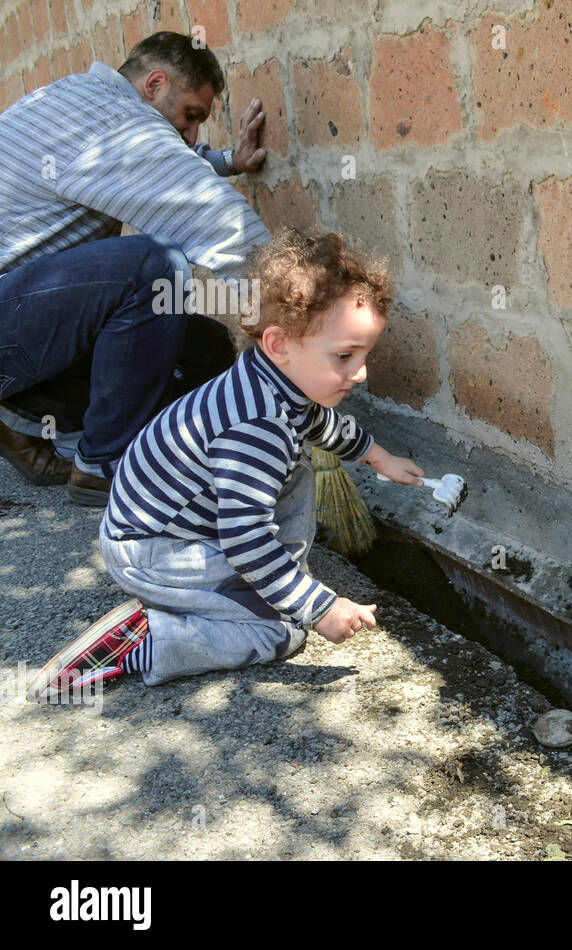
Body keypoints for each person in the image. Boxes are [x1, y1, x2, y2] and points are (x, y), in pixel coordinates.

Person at [26, 230, 426, 700]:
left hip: (165, 530)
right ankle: (147, 640)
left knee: (291, 490)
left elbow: (320, 424)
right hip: (160, 553)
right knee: (280, 632)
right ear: (279, 343)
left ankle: (233, 593)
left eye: (364, 354)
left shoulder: (269, 380)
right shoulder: (256, 428)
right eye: (344, 355)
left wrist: (380, 458)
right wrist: (319, 609)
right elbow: (247, 537)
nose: (361, 372)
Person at [0, 32, 272, 505]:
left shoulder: (83, 102)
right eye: (190, 116)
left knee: (205, 348)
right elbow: (208, 216)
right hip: (12, 319)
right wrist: (291, 305)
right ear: (154, 84)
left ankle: (36, 417)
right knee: (153, 265)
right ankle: (104, 464)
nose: (191, 135)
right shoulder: (107, 120)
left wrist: (228, 161)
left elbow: (162, 159)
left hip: (21, 315)